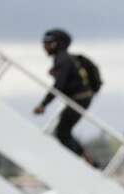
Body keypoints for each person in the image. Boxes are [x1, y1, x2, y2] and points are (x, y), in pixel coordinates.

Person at [33, 29, 97, 165]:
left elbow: (58, 86)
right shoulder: (65, 58)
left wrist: (43, 104)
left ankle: (83, 161)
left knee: (62, 132)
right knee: (63, 131)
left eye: (48, 43)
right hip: (82, 98)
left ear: (57, 44)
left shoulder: (62, 59)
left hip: (79, 99)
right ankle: (86, 158)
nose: (44, 46)